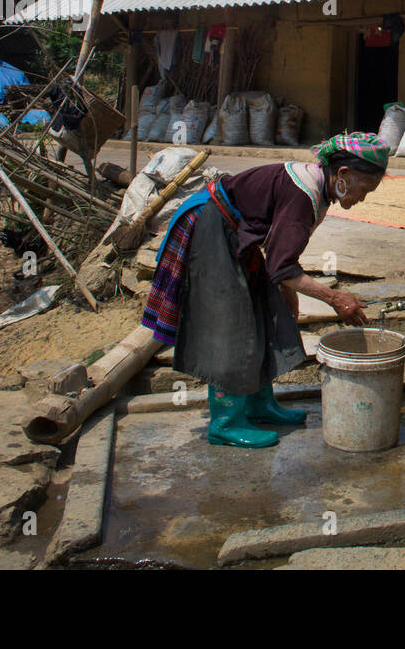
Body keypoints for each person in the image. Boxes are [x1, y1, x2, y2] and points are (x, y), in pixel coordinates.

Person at [140, 132, 388, 448]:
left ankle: (258, 404)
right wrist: (335, 298)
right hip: (212, 227)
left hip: (235, 233)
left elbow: (279, 255)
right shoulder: (304, 193)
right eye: (364, 189)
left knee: (261, 312)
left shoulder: (316, 189)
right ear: (343, 174)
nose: (362, 198)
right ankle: (225, 422)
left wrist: (288, 294)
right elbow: (282, 268)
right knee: (230, 326)